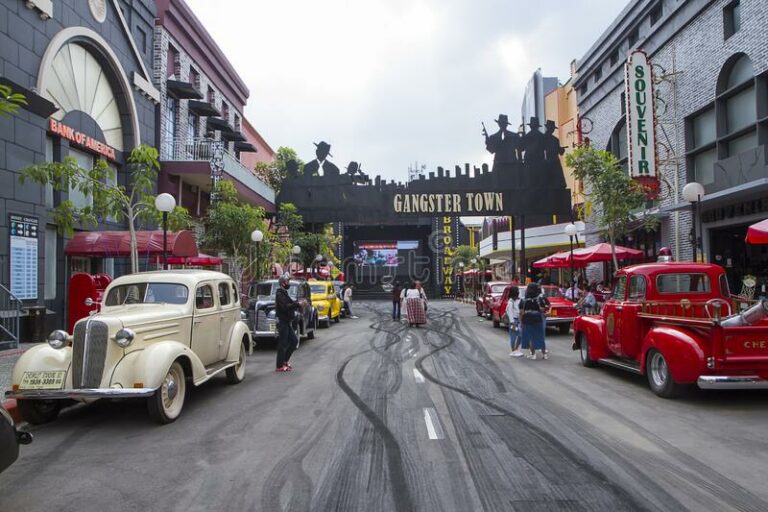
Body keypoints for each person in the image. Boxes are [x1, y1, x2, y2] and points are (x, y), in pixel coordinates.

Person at [275, 274, 301, 372]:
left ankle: (284, 361)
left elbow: (291, 303)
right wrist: (297, 304)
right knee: (283, 343)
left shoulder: (284, 293)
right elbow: (286, 306)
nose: (288, 283)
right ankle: (279, 366)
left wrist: (299, 303)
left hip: (286, 321)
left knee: (294, 341)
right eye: (287, 282)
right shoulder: (279, 294)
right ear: (283, 283)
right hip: (282, 322)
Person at [520, 283, 549, 360]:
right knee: (540, 336)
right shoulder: (539, 299)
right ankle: (544, 354)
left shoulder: (523, 299)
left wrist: (521, 321)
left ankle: (533, 354)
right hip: (537, 318)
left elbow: (521, 311)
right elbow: (543, 309)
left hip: (527, 319)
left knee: (530, 337)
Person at [506, 286, 524, 357]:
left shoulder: (519, 300)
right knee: (513, 337)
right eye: (517, 291)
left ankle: (516, 349)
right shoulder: (511, 302)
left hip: (519, 319)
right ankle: (513, 351)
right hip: (513, 320)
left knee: (521, 335)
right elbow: (510, 313)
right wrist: (512, 323)